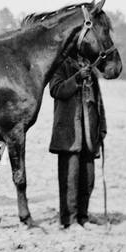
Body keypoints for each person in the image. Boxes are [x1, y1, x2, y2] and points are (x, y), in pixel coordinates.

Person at [48, 52, 107, 227]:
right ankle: (69, 221)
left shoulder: (90, 68)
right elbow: (56, 90)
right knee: (70, 180)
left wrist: (102, 128)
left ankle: (83, 216)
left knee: (88, 179)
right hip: (69, 135)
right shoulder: (60, 64)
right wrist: (76, 79)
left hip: (89, 135)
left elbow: (98, 102)